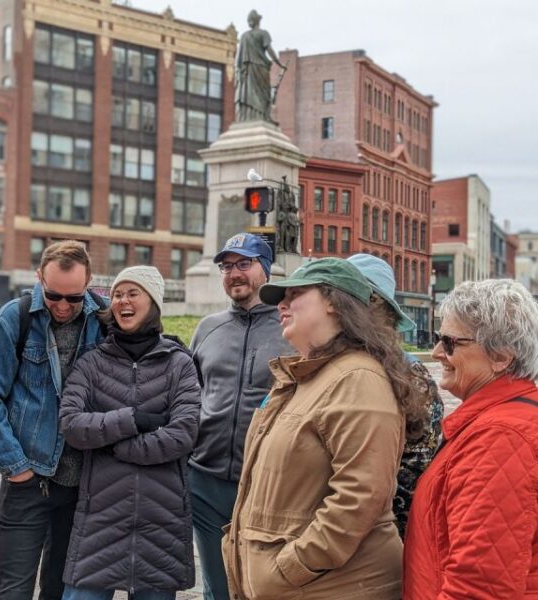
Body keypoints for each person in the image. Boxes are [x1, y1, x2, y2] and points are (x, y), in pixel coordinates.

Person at [223, 257, 421, 599]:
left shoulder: (358, 378)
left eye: (295, 294)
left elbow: (359, 497)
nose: (281, 305)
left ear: (333, 302)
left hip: (333, 587)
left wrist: (291, 566)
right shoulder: (306, 377)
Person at [0, 240, 107, 600]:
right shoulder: (13, 319)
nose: (63, 306)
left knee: (59, 591)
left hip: (82, 487)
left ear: (89, 283)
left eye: (74, 298)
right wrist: (17, 468)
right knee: (14, 592)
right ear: (38, 278)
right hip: (27, 482)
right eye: (53, 295)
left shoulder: (104, 321)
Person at [58, 266, 200, 599]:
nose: (123, 300)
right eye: (118, 294)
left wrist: (116, 447)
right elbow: (71, 424)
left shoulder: (179, 364)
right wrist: (133, 419)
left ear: (153, 302)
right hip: (100, 522)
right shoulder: (92, 364)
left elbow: (183, 433)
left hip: (160, 523)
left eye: (133, 293)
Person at [403, 279, 538, 599]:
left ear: (501, 357)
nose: (436, 353)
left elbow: (479, 586)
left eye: (450, 343)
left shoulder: (501, 438)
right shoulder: (503, 422)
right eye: (438, 340)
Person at [189, 233, 294, 600]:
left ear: (265, 269)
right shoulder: (207, 328)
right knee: (217, 589)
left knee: (261, 587)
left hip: (269, 483)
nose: (234, 273)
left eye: (244, 264)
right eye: (227, 266)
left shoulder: (291, 329)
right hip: (206, 480)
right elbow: (190, 395)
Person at [347, 253, 444, 538]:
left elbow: (417, 469)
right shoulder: (329, 363)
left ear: (375, 305)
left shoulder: (412, 374)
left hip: (382, 535)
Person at [234, 9, 286, 122]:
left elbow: (239, 57)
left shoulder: (244, 36)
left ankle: (249, 116)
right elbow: (270, 51)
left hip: (248, 69)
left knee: (250, 92)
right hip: (261, 68)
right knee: (264, 92)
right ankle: (264, 116)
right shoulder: (263, 33)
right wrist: (280, 64)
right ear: (259, 21)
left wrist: (238, 72)